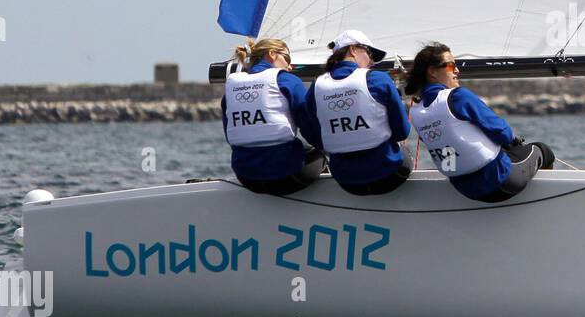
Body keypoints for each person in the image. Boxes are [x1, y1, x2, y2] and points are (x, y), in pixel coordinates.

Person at [405, 42, 554, 203]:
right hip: (501, 183)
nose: (457, 70)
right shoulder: (457, 96)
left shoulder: (416, 110)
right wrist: (515, 140)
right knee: (542, 150)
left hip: (466, 190)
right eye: (450, 66)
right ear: (432, 72)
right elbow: (503, 132)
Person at [304, 29, 412, 196]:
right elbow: (402, 131)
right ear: (353, 49)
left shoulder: (316, 86)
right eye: (369, 53)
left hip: (346, 181)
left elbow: (313, 136)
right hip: (388, 176)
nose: (372, 61)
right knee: (403, 151)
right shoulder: (377, 79)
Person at [222, 37, 325, 195]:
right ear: (271, 54)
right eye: (287, 58)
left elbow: (232, 137)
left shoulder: (232, 88)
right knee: (319, 155)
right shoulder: (287, 80)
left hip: (247, 178)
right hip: (288, 177)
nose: (290, 66)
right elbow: (310, 129)